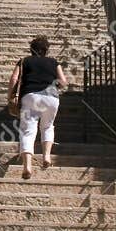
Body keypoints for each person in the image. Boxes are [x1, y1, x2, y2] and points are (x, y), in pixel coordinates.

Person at [9, 36, 68, 179]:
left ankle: (27, 166)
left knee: (28, 131)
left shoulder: (24, 61)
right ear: (46, 50)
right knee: (48, 127)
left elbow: (14, 79)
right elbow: (63, 81)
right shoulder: (54, 62)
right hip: (51, 97)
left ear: (31, 49)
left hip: (30, 96)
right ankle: (46, 156)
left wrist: (10, 96)